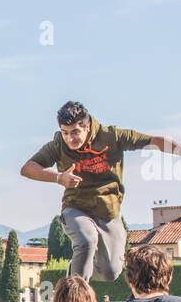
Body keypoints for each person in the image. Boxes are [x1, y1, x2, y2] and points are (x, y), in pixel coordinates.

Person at [20, 101, 181, 283]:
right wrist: (58, 178)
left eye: (75, 132)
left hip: (108, 211)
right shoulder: (59, 145)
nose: (70, 139)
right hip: (76, 208)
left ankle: (78, 267)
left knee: (110, 272)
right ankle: (75, 293)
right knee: (86, 240)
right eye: (65, 132)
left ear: (87, 127)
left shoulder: (111, 137)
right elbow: (28, 168)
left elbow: (154, 142)